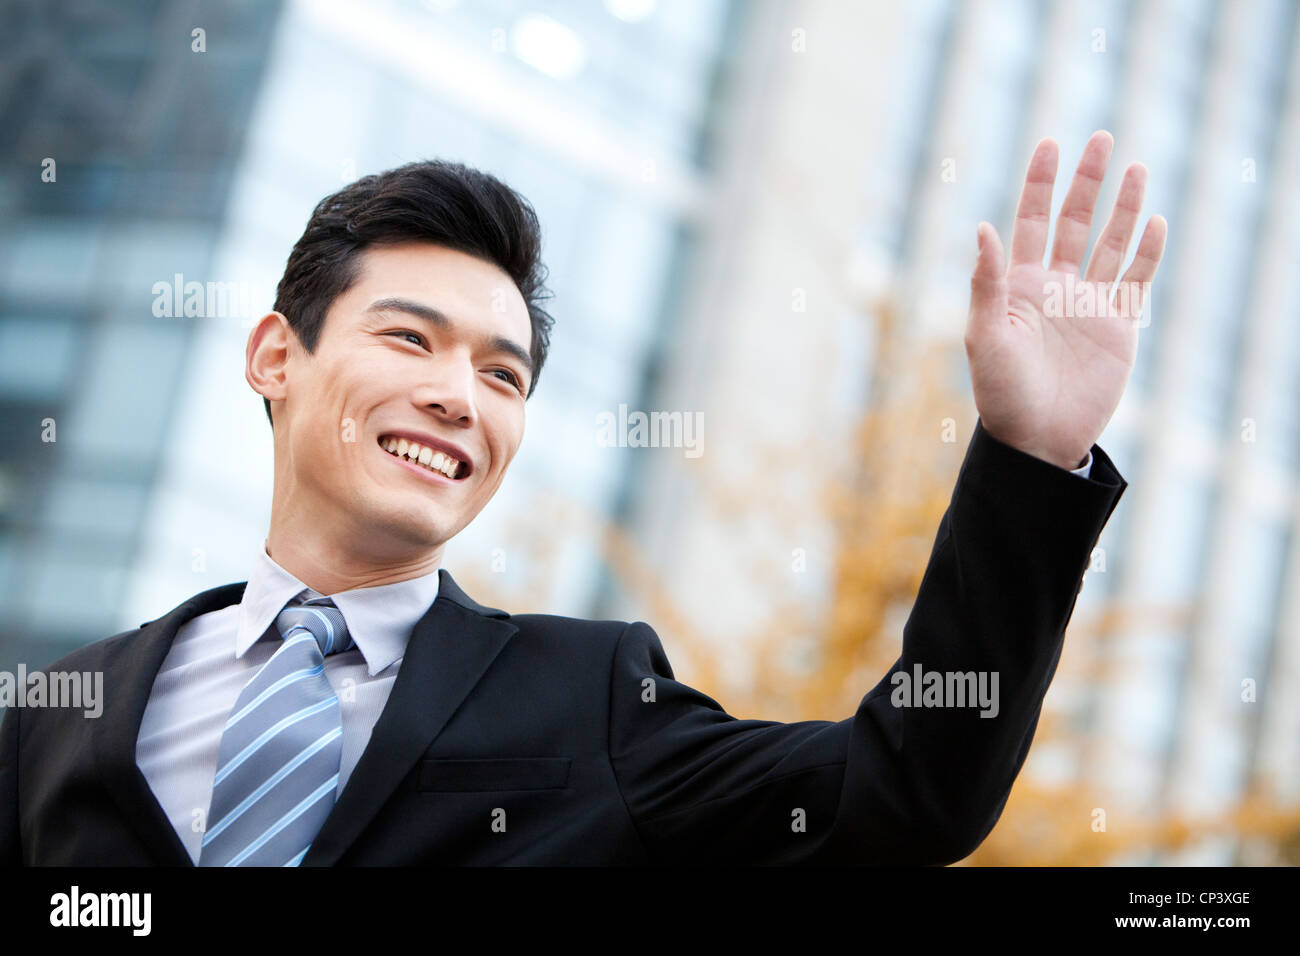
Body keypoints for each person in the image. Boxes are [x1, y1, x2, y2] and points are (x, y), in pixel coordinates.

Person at [0, 131, 1165, 865]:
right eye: (410, 337)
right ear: (274, 355)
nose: (460, 394)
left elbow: (905, 790)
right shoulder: (60, 710)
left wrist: (1025, 454)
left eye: (503, 373)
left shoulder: (592, 699)